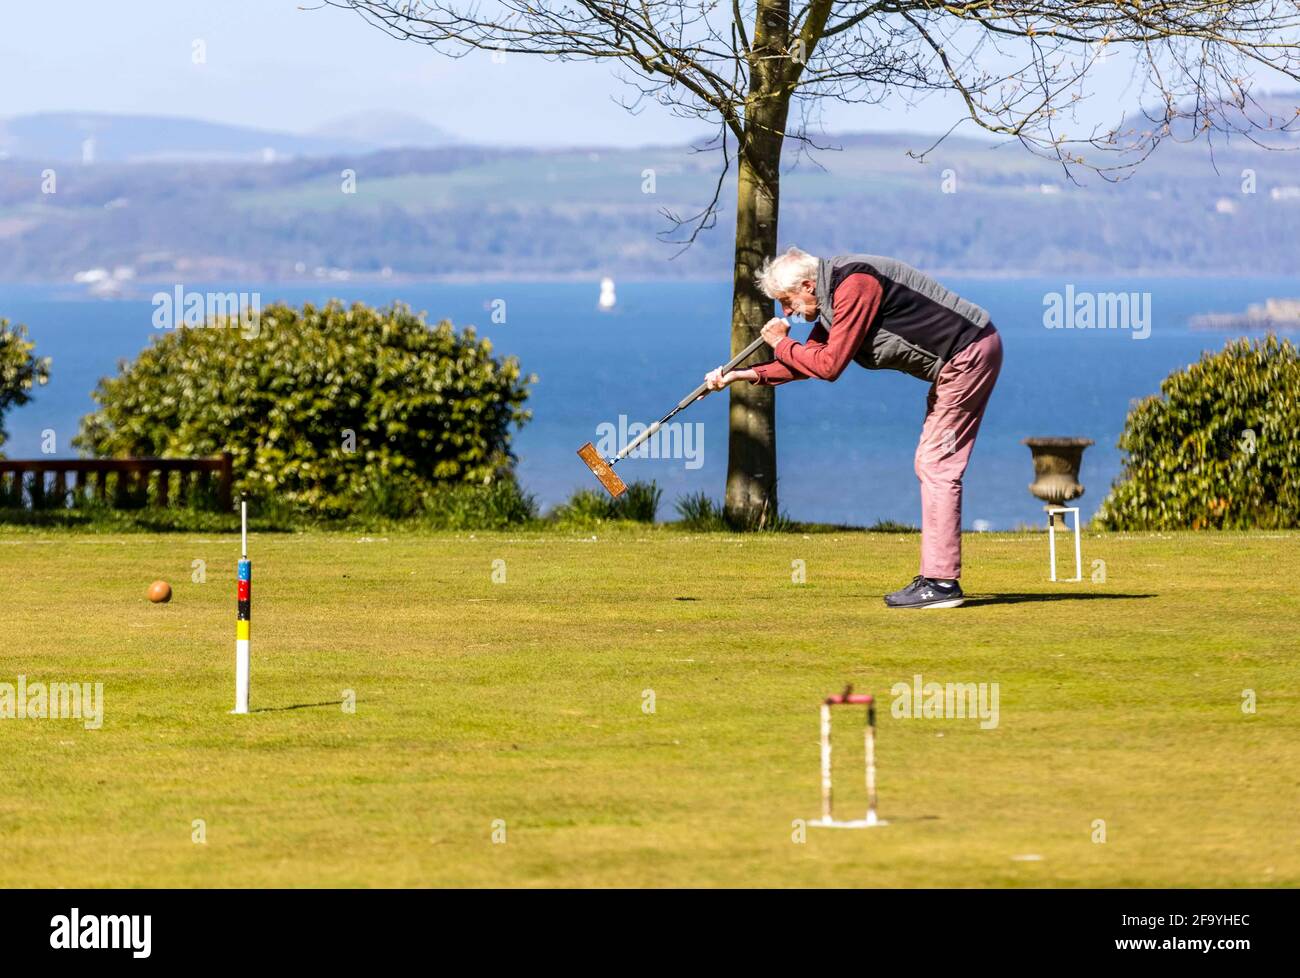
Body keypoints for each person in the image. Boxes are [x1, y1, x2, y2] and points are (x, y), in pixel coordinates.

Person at [705, 247, 1003, 609]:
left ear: (807, 285)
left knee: (936, 464)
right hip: (963, 357)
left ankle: (941, 583)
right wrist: (742, 374)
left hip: (968, 355)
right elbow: (807, 362)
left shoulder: (854, 286)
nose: (787, 311)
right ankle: (936, 577)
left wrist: (782, 343)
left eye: (787, 301)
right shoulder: (834, 300)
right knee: (931, 463)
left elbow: (829, 366)